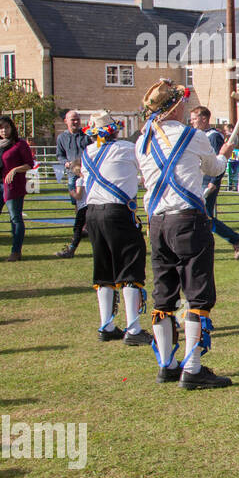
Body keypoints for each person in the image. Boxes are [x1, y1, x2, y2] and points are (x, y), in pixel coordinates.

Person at [135, 80, 234, 388]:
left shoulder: (142, 142)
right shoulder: (194, 135)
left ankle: (166, 364)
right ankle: (192, 368)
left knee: (164, 292)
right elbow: (215, 169)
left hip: (157, 222)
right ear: (176, 106)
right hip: (188, 220)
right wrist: (226, 153)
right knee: (197, 292)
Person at [79, 111, 151, 345]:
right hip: (117, 212)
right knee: (130, 264)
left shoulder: (88, 152)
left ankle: (107, 325)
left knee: (104, 266)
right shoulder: (126, 148)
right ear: (115, 130)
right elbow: (146, 165)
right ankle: (133, 329)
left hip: (92, 213)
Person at [188, 106, 239, 260]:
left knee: (204, 216)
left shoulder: (214, 136)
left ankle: (234, 239)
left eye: (195, 118)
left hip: (209, 181)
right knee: (202, 216)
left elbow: (218, 160)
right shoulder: (199, 135)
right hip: (199, 180)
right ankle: (231, 239)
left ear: (204, 118)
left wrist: (214, 181)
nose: (192, 122)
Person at [0, 116, 35, 262]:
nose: (4, 130)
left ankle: (15, 251)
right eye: (1, 128)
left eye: (6, 127)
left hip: (13, 186)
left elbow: (29, 164)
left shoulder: (19, 145)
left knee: (15, 218)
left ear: (12, 128)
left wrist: (15, 170)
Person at [55, 109, 91, 258]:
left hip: (87, 173)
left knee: (87, 201)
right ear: (66, 121)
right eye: (73, 120)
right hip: (72, 173)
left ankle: (85, 227)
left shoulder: (87, 136)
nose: (75, 122)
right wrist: (66, 163)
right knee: (77, 203)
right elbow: (59, 155)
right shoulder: (62, 138)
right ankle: (82, 227)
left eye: (77, 119)